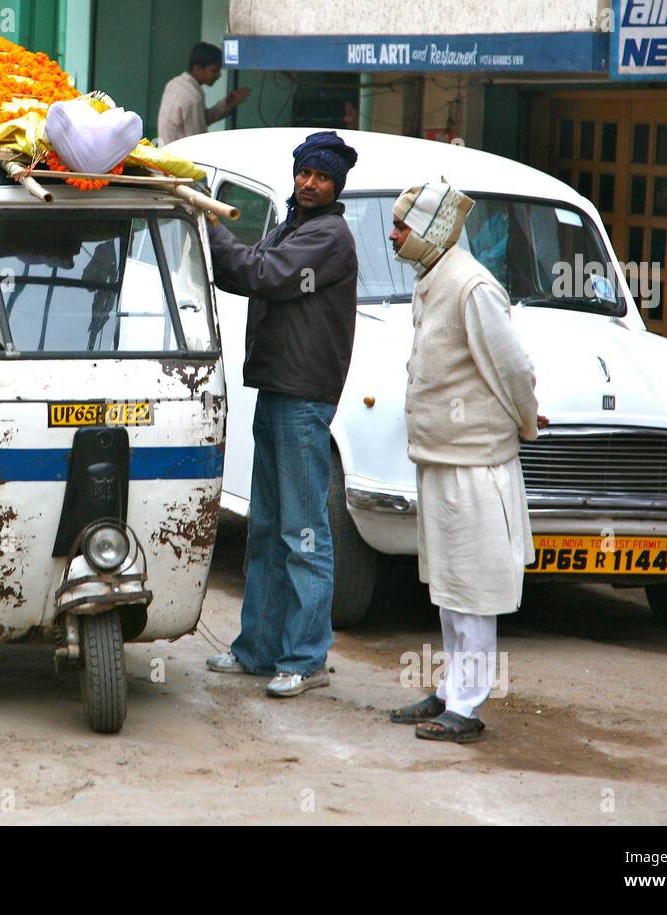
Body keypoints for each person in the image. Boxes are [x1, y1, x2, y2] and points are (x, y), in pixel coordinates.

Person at [385, 179, 545, 743]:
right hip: (441, 459)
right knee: (449, 586)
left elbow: (514, 370)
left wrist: (525, 422)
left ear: (429, 230)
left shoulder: (472, 286)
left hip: (476, 466)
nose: (394, 233)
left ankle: (469, 707)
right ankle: (452, 690)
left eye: (403, 225)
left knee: (475, 590)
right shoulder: (433, 277)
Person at [204, 131, 359, 698]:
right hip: (277, 389)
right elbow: (245, 270)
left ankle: (306, 656)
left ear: (336, 184)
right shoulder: (294, 224)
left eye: (321, 177)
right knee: (266, 529)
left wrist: (210, 225)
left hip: (303, 397)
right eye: (304, 173)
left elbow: (261, 275)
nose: (309, 183)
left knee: (304, 532)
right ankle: (257, 650)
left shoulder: (329, 237)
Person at [156, 42, 251, 145]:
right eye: (214, 70)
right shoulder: (192, 98)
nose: (219, 75)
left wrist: (227, 104)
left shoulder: (174, 83)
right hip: (178, 157)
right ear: (197, 69)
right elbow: (197, 141)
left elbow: (200, 119)